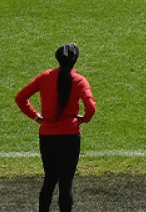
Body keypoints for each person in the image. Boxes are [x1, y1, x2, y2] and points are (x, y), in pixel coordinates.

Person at [15, 42, 95, 212]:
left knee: (50, 179)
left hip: (47, 136)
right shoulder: (79, 81)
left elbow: (20, 98)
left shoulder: (45, 77)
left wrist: (36, 116)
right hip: (70, 136)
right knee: (66, 184)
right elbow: (91, 108)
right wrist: (84, 119)